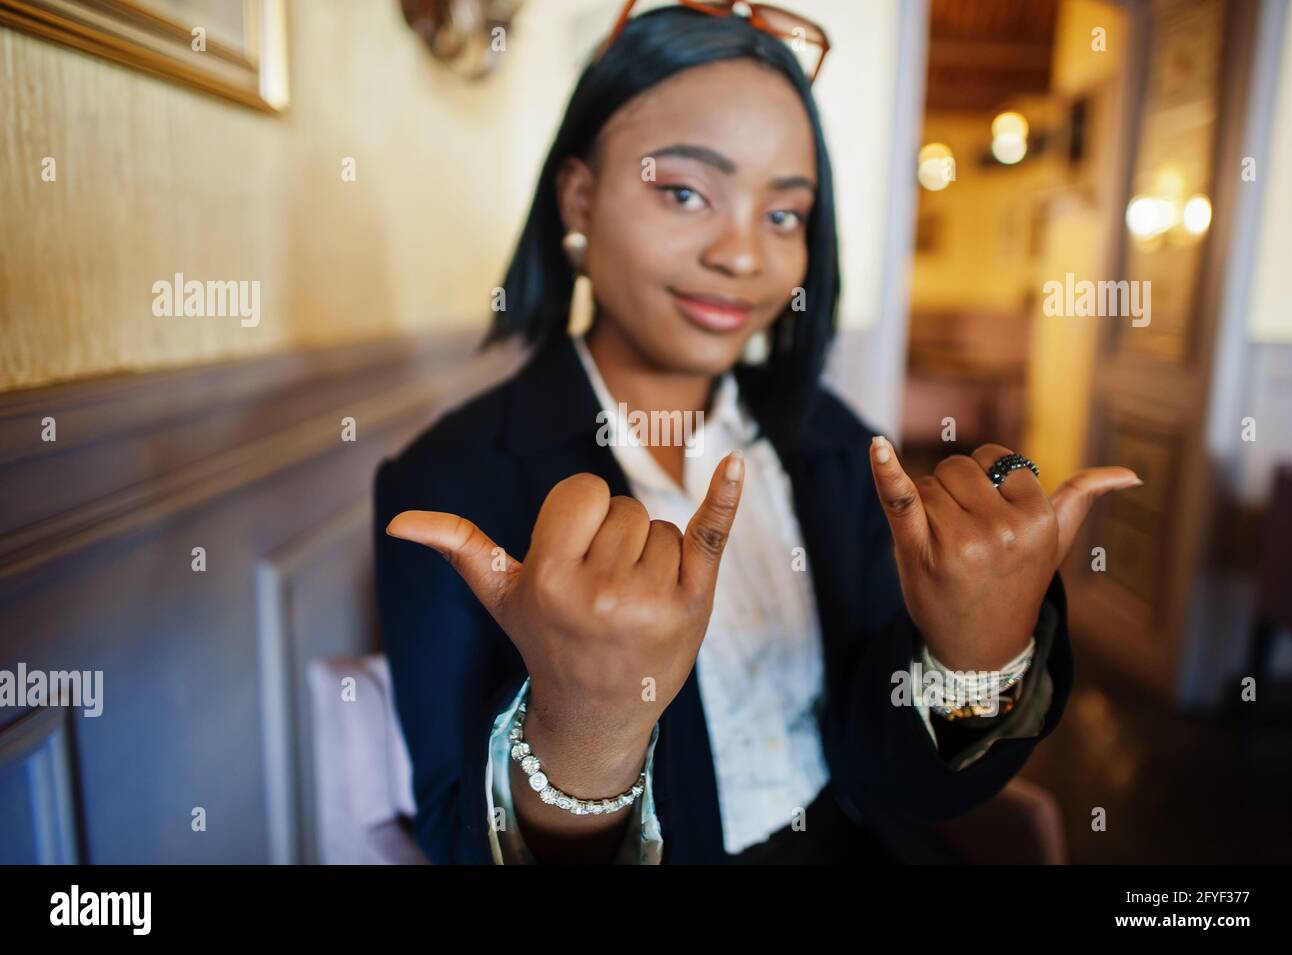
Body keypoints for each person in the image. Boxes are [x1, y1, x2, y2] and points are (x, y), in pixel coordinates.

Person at [373, 1, 1140, 865]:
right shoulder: (451, 483)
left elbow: (900, 779)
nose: (743, 256)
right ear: (579, 196)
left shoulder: (834, 444)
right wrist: (583, 731)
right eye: (686, 192)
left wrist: (972, 655)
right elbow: (455, 837)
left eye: (783, 215)